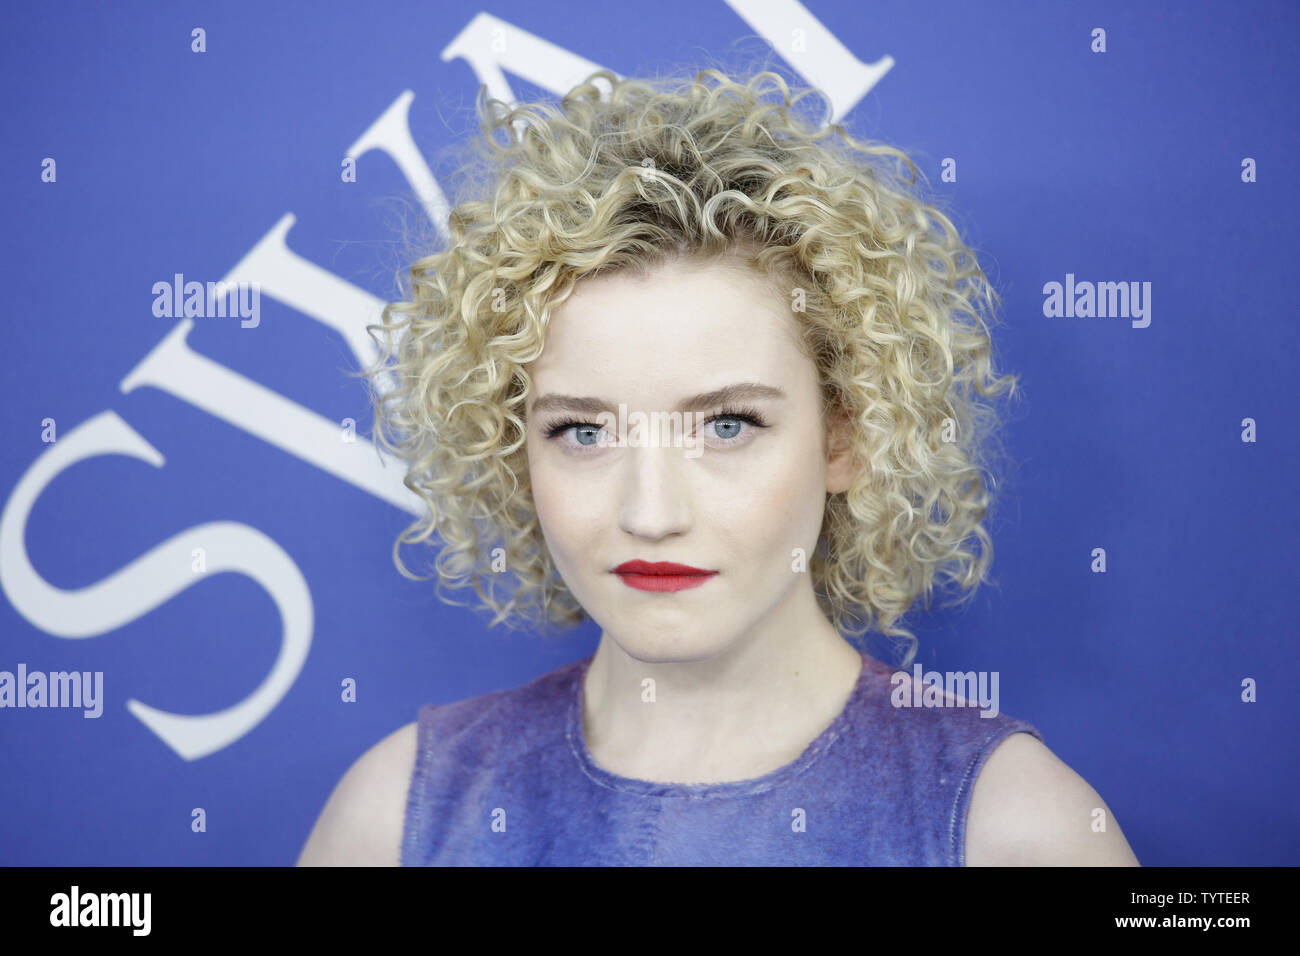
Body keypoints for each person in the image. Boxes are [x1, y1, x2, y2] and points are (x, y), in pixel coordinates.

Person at [297, 66, 1139, 866]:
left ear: (844, 437)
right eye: (583, 433)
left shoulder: (1014, 829)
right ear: (511, 448)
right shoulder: (397, 815)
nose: (652, 512)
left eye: (728, 424)